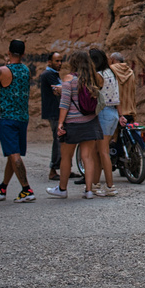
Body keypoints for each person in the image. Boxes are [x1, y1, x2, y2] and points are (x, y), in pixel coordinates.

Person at [46, 50, 103, 200]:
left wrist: (60, 123)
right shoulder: (93, 79)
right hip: (90, 121)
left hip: (72, 123)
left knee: (66, 157)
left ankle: (62, 189)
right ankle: (89, 190)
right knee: (88, 156)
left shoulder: (69, 79)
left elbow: (64, 104)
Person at [0, 39, 35, 202]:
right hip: (23, 117)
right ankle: (3, 187)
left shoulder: (2, 71)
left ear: (8, 52)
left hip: (8, 118)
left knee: (14, 154)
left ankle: (26, 189)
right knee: (12, 152)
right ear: (23, 54)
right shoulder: (26, 70)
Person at [89, 47, 124, 197]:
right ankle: (95, 185)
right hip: (112, 113)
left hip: (102, 114)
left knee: (102, 152)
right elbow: (117, 96)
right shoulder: (111, 73)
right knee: (99, 152)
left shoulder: (98, 75)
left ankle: (110, 186)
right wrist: (120, 115)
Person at [40, 51, 63, 180]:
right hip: (54, 112)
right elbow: (60, 90)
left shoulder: (53, 74)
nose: (59, 63)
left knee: (62, 139)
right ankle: (53, 170)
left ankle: (64, 168)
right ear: (50, 62)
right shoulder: (49, 74)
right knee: (58, 140)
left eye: (60, 61)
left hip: (56, 111)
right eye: (57, 61)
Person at [109, 52, 137, 122]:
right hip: (130, 112)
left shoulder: (110, 70)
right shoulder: (130, 72)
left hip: (117, 113)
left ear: (112, 60)